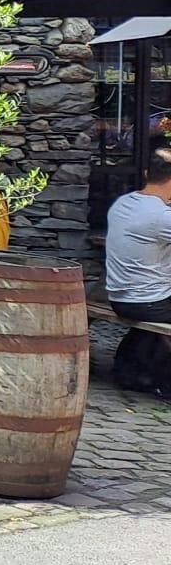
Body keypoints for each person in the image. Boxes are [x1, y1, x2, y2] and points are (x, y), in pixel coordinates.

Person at [104, 155, 171, 395]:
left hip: (120, 296)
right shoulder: (161, 216)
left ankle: (131, 369)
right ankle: (164, 381)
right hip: (147, 302)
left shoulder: (124, 203)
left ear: (145, 174)